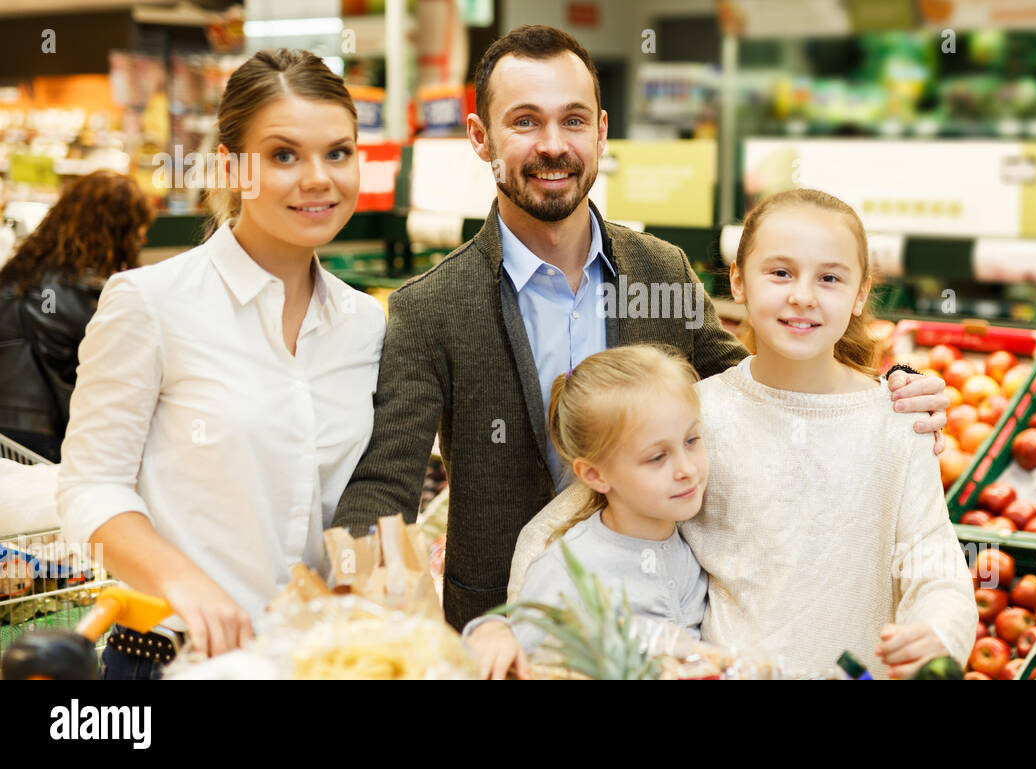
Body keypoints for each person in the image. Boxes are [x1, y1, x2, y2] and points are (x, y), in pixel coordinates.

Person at [329, 24, 948, 632]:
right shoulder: (432, 308)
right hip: (506, 629)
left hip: (668, 619)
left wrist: (886, 389)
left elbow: (759, 386)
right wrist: (358, 627)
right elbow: (384, 485)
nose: (552, 144)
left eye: (573, 120)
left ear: (601, 133)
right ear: (480, 137)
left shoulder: (660, 271)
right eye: (524, 122)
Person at [56, 48, 386, 678]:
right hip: (174, 660)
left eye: (338, 152)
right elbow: (89, 486)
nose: (318, 178)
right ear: (232, 167)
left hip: (316, 662)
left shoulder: (363, 324)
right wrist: (184, 581)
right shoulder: (151, 303)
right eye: (284, 155)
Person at [680, 188, 977, 678]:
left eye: (830, 278)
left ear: (861, 294)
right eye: (780, 272)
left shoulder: (899, 420)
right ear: (738, 281)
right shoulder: (698, 414)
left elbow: (933, 558)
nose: (802, 295)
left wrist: (940, 630)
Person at [463, 345, 708, 679]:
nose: (687, 469)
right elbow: (512, 649)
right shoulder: (568, 569)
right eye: (657, 457)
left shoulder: (693, 544)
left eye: (692, 440)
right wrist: (489, 628)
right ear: (595, 475)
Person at [0, 171, 154, 462]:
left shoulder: (20, 272)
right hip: (41, 435)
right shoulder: (77, 291)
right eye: (136, 229)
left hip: (9, 431)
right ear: (114, 229)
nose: (142, 238)